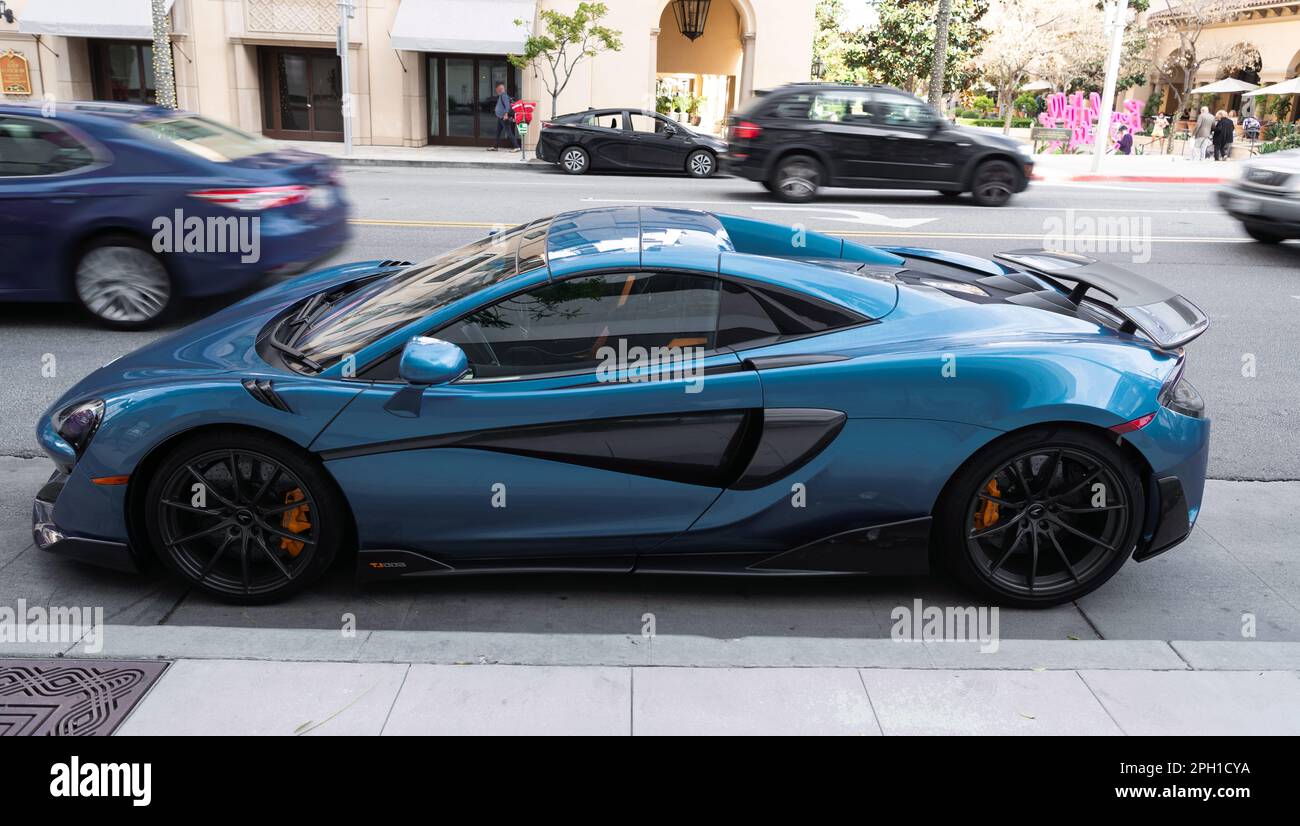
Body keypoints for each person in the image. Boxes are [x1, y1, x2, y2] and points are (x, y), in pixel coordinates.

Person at [488, 82, 517, 152]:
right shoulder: (501, 96)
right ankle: (495, 146)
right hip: (500, 118)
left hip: (504, 118)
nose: (496, 91)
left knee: (509, 132)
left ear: (500, 89)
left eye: (497, 90)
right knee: (498, 132)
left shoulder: (504, 96)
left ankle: (517, 147)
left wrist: (506, 114)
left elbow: (507, 106)